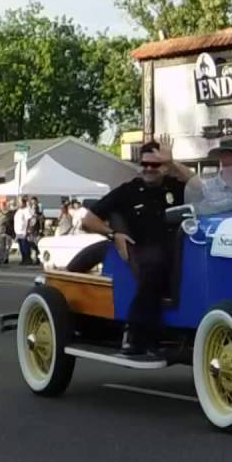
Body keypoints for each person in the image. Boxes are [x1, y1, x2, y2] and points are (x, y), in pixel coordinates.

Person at [81, 141, 191, 356]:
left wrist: (173, 163)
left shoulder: (175, 187)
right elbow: (88, 221)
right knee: (156, 265)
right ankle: (134, 332)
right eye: (145, 164)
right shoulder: (127, 191)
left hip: (177, 248)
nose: (148, 169)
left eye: (155, 165)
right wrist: (113, 234)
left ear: (165, 166)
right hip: (139, 249)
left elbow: (202, 188)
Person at [14, 198, 34, 266]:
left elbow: (28, 220)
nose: (19, 204)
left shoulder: (26, 210)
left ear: (24, 203)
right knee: (21, 247)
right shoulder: (19, 210)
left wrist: (27, 230)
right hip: (18, 231)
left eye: (20, 202)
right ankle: (23, 259)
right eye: (19, 203)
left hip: (23, 231)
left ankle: (28, 259)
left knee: (25, 246)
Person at [0, 201, 15, 265]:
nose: (3, 206)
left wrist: (13, 232)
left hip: (8, 232)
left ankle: (6, 258)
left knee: (7, 246)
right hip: (1, 231)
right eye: (2, 205)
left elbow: (13, 223)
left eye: (4, 205)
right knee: (0, 246)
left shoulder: (11, 213)